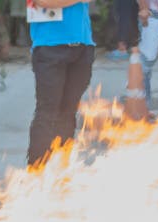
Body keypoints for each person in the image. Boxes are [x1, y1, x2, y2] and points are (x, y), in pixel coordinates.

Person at [26, 0, 95, 167]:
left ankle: (61, 168)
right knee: (47, 111)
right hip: (49, 48)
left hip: (83, 46)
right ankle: (36, 170)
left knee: (69, 112)